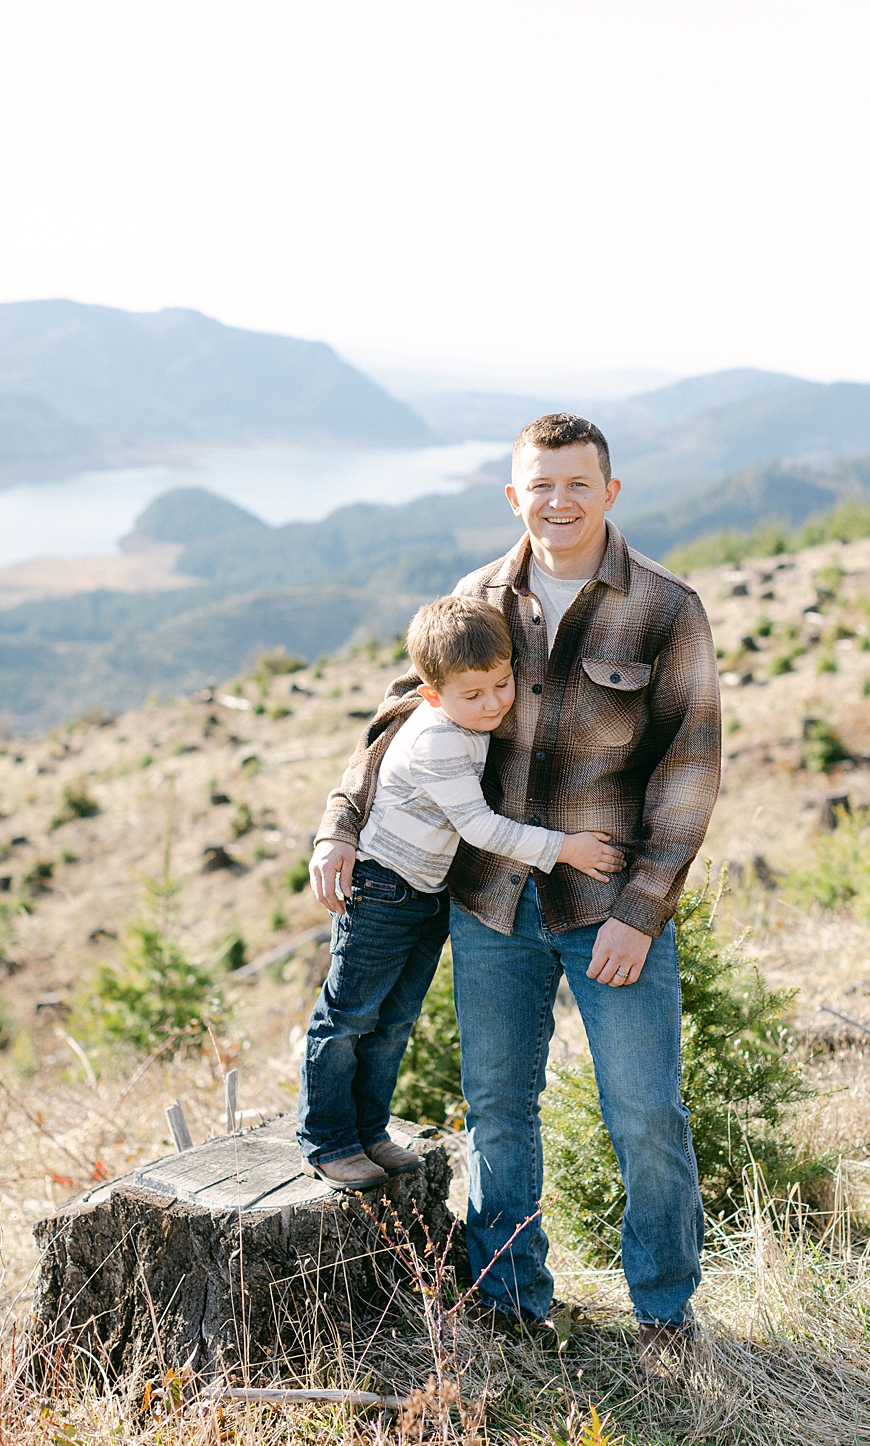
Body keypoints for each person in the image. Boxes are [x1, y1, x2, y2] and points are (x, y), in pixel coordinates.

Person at [309, 414, 721, 1357]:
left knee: (646, 1112)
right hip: (490, 902)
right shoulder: (476, 598)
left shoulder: (665, 609)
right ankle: (510, 1303)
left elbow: (691, 769)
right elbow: (394, 722)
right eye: (541, 484)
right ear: (514, 495)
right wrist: (339, 823)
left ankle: (664, 1313)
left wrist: (644, 912)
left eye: (579, 483)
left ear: (610, 492)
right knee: (499, 1108)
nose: (559, 502)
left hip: (606, 907)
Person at [297, 594, 624, 1191]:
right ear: (431, 695)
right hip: (383, 886)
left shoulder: (469, 717)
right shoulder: (439, 739)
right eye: (473, 695)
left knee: (395, 1019)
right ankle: (326, 1140)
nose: (495, 703)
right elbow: (479, 827)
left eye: (503, 685)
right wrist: (565, 848)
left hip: (425, 892)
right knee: (349, 1015)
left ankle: (369, 1132)